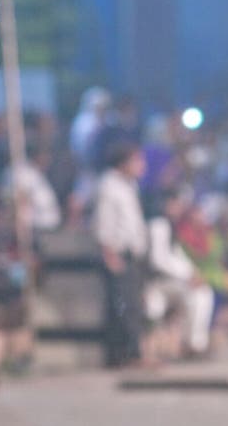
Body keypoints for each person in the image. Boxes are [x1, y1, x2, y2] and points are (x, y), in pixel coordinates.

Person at [93, 141, 148, 367]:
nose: (141, 166)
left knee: (132, 305)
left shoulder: (128, 185)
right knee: (123, 306)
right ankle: (127, 355)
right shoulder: (109, 185)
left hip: (131, 254)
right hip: (117, 254)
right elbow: (104, 222)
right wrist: (109, 253)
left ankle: (131, 353)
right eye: (137, 160)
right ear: (124, 162)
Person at [145, 190, 214, 357]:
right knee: (199, 294)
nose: (179, 208)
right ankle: (193, 345)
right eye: (176, 204)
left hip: (171, 283)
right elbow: (159, 260)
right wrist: (187, 276)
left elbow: (177, 255)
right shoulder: (157, 224)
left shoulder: (170, 225)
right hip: (155, 283)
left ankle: (194, 345)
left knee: (201, 293)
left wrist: (194, 274)